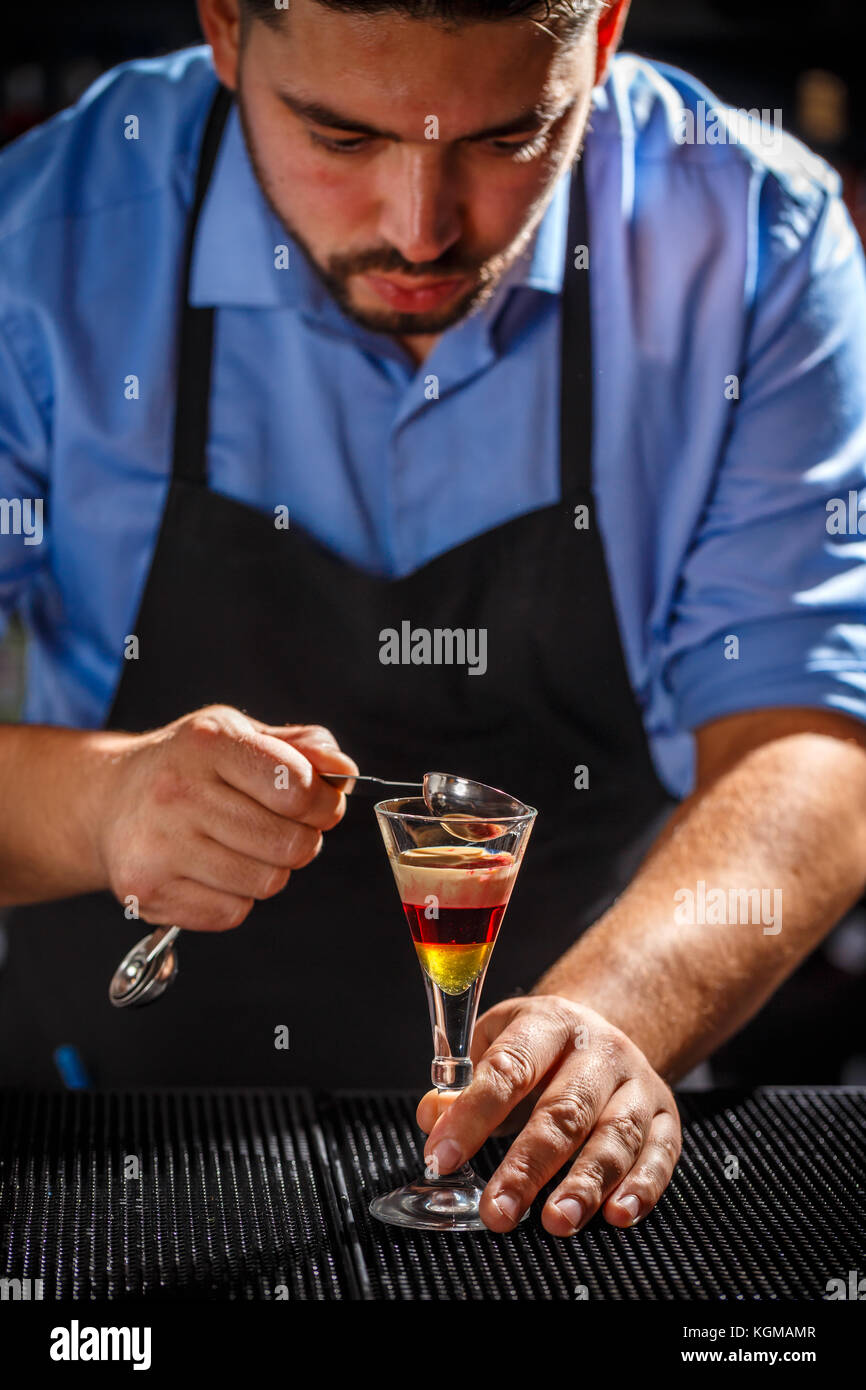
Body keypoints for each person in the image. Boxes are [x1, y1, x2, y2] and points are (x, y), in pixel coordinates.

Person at [0, 0, 865, 1241]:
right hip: (99, 1138)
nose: (422, 229)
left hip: (553, 1177)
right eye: (340, 139)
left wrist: (613, 1019)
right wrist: (103, 801)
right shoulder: (45, 239)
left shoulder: (750, 242)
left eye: (511, 137)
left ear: (605, 34)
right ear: (226, 33)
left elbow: (814, 740)